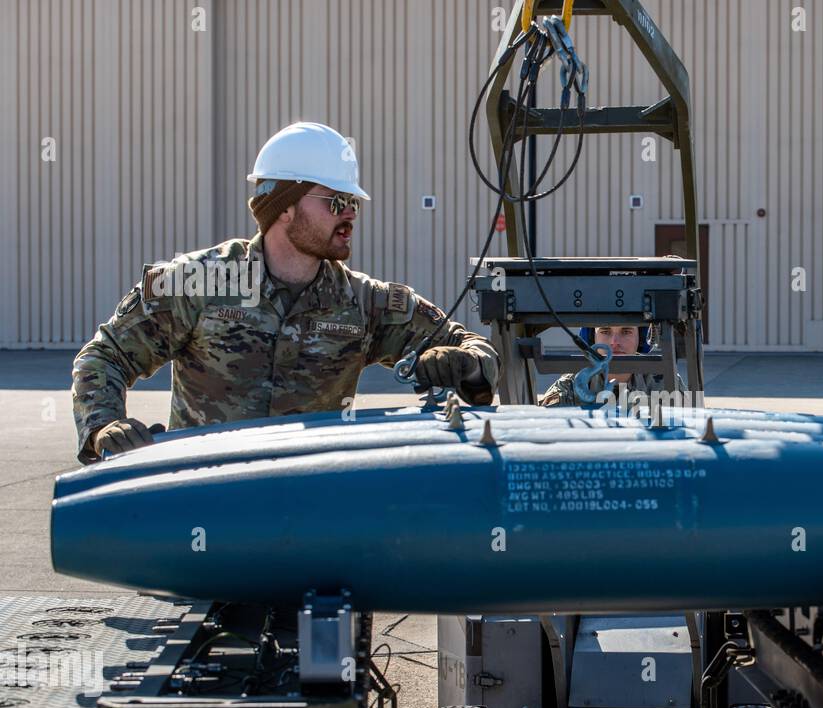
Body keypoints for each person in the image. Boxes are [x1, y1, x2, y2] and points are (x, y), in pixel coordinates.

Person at [71, 122, 499, 463]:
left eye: (353, 202)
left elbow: (473, 349)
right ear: (285, 206)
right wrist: (104, 426)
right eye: (335, 201)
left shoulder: (365, 304)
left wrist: (467, 366)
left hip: (308, 515)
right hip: (205, 503)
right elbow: (105, 355)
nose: (349, 212)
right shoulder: (197, 284)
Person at [538, 325, 685, 407]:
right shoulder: (571, 385)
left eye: (626, 331)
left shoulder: (667, 382)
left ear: (641, 338)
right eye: (605, 331)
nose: (614, 342)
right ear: (592, 338)